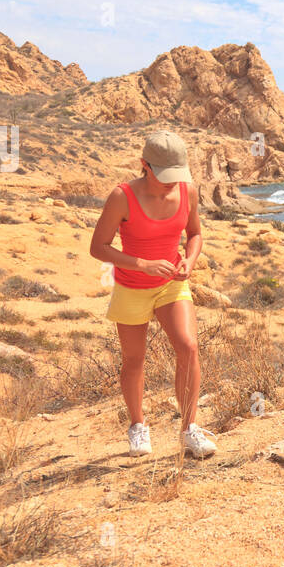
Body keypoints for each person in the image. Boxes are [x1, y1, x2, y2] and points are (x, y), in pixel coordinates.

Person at [88, 131, 216, 459]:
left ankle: (189, 430)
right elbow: (98, 247)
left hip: (172, 283)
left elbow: (196, 234)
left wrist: (190, 258)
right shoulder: (122, 196)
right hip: (132, 286)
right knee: (134, 360)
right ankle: (137, 426)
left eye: (177, 176)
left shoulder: (187, 191)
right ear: (144, 165)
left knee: (188, 346)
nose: (172, 183)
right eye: (164, 177)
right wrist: (141, 263)